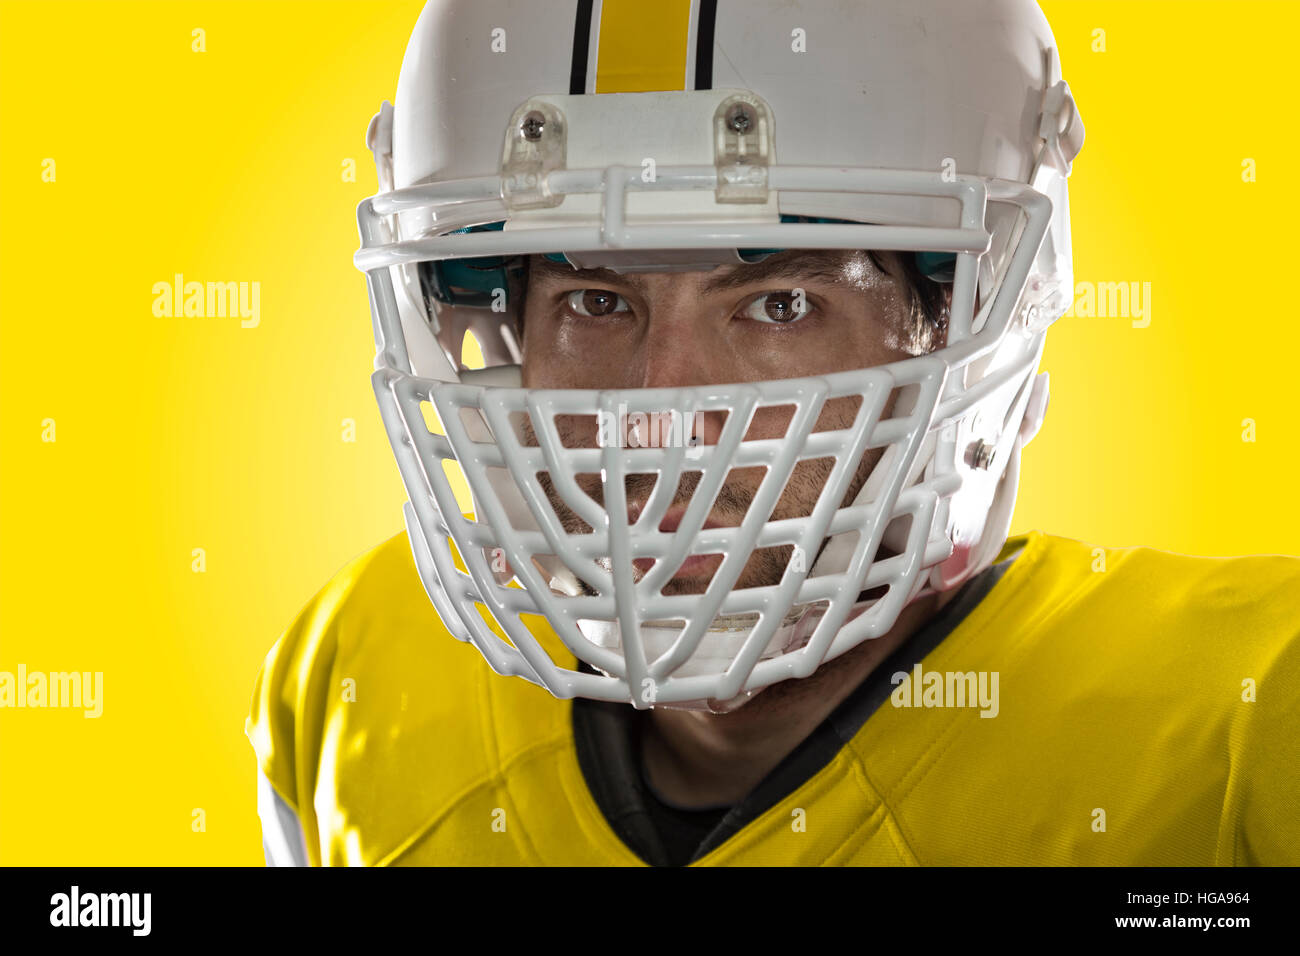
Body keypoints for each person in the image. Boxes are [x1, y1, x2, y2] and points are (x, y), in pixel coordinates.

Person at [247, 0, 1300, 866]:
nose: (664, 413)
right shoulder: (351, 687)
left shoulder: (1242, 722)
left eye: (779, 305)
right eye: (596, 303)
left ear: (964, 324)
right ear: (493, 323)